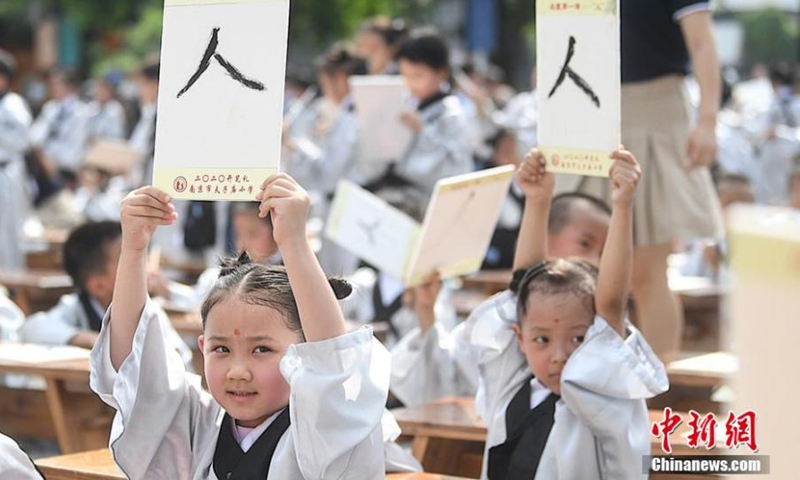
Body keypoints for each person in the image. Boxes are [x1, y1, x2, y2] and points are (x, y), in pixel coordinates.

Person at [90, 174, 417, 479]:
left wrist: (294, 243)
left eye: (262, 349)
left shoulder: (323, 428)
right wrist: (133, 250)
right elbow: (133, 364)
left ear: (303, 357)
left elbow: (333, 360)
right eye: (221, 349)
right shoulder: (198, 424)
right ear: (202, 348)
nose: (237, 371)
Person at [475, 148, 667, 479]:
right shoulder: (511, 381)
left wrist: (623, 206)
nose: (559, 356)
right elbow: (522, 286)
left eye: (579, 338)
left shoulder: (597, 392)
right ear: (519, 338)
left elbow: (610, 305)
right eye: (541, 339)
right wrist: (537, 199)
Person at [557, 1, 724, 358]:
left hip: (655, 105)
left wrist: (708, 120)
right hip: (584, 106)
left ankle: (662, 391)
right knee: (576, 265)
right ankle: (578, 386)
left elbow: (702, 41)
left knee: (648, 270)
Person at [391, 190, 612, 407]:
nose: (595, 261)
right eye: (585, 244)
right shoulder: (501, 318)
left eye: (604, 253)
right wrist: (426, 312)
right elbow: (447, 380)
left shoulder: (606, 320)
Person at [19, 221, 192, 368]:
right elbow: (32, 328)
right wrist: (89, 339)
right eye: (129, 261)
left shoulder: (149, 309)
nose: (145, 268)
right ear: (98, 286)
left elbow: (179, 359)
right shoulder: (77, 307)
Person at [373, 29, 474, 211]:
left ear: (441, 72)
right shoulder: (406, 104)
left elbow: (456, 170)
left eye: (418, 75)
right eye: (405, 75)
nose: (410, 83)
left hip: (429, 207)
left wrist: (422, 132)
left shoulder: (454, 113)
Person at [150, 201, 280, 311]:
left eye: (253, 234)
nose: (243, 244)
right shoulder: (223, 275)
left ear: (276, 230)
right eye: (238, 235)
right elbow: (198, 299)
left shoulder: (287, 276)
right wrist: (166, 288)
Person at [29, 68, 91, 186]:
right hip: (45, 167)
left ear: (69, 86)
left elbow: (77, 143)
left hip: (69, 169)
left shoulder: (81, 111)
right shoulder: (51, 108)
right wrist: (44, 157)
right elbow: (35, 136)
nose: (53, 88)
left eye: (57, 84)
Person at [0, 49, 32, 270]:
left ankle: (13, 287)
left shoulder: (13, 103)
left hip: (8, 173)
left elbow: (24, 140)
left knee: (10, 235)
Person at [86, 76, 127, 143]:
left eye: (103, 91)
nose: (100, 93)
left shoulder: (116, 109)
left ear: (109, 92)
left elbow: (118, 134)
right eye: (98, 90)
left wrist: (100, 139)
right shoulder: (91, 107)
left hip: (107, 146)